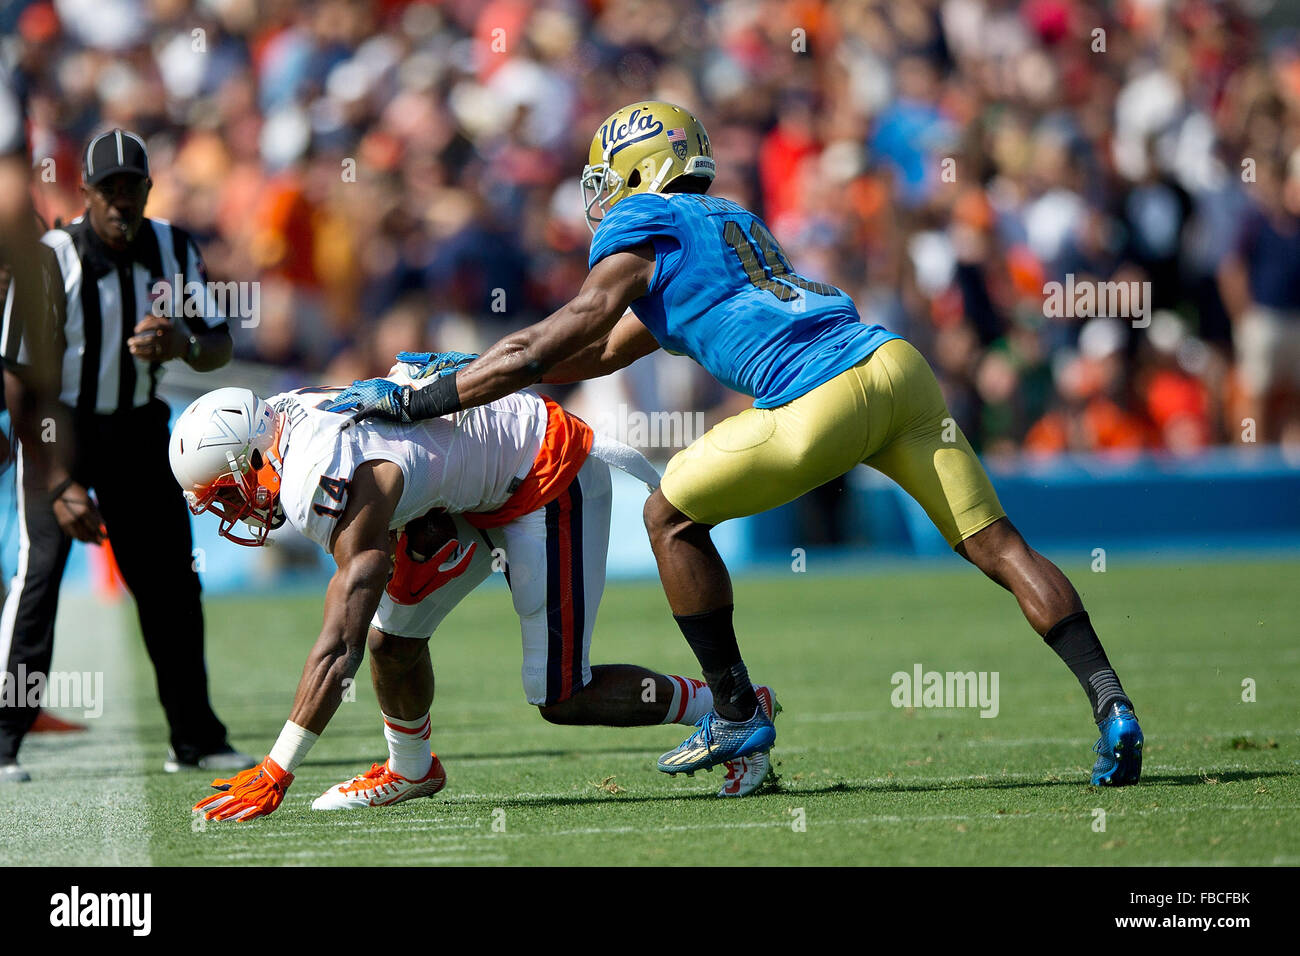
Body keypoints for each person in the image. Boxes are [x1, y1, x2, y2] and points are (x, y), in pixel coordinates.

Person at [343, 101, 1144, 787]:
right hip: (896, 368)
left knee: (669, 518)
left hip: (814, 398)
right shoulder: (731, 218)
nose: (599, 198)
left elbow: (566, 331)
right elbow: (603, 350)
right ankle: (1113, 706)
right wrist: (489, 369)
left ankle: (733, 710)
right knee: (997, 543)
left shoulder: (642, 219)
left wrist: (434, 395)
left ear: (639, 169)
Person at [172, 353, 777, 821]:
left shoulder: (313, 479)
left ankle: (732, 708)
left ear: (253, 459)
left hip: (541, 470)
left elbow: (338, 645)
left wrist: (279, 766)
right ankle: (410, 770)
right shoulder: (276, 416)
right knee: (394, 642)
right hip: (466, 482)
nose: (232, 511)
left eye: (225, 494)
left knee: (562, 694)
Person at [0, 128, 251, 780]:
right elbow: (19, 382)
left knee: (172, 583)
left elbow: (217, 341)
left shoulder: (173, 248)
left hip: (139, 432)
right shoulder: (51, 259)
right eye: (107, 189)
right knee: (40, 577)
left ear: (146, 189)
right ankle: (2, 739)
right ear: (85, 193)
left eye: (130, 188)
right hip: (61, 430)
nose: (119, 201)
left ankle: (195, 735)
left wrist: (183, 347)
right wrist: (57, 484)